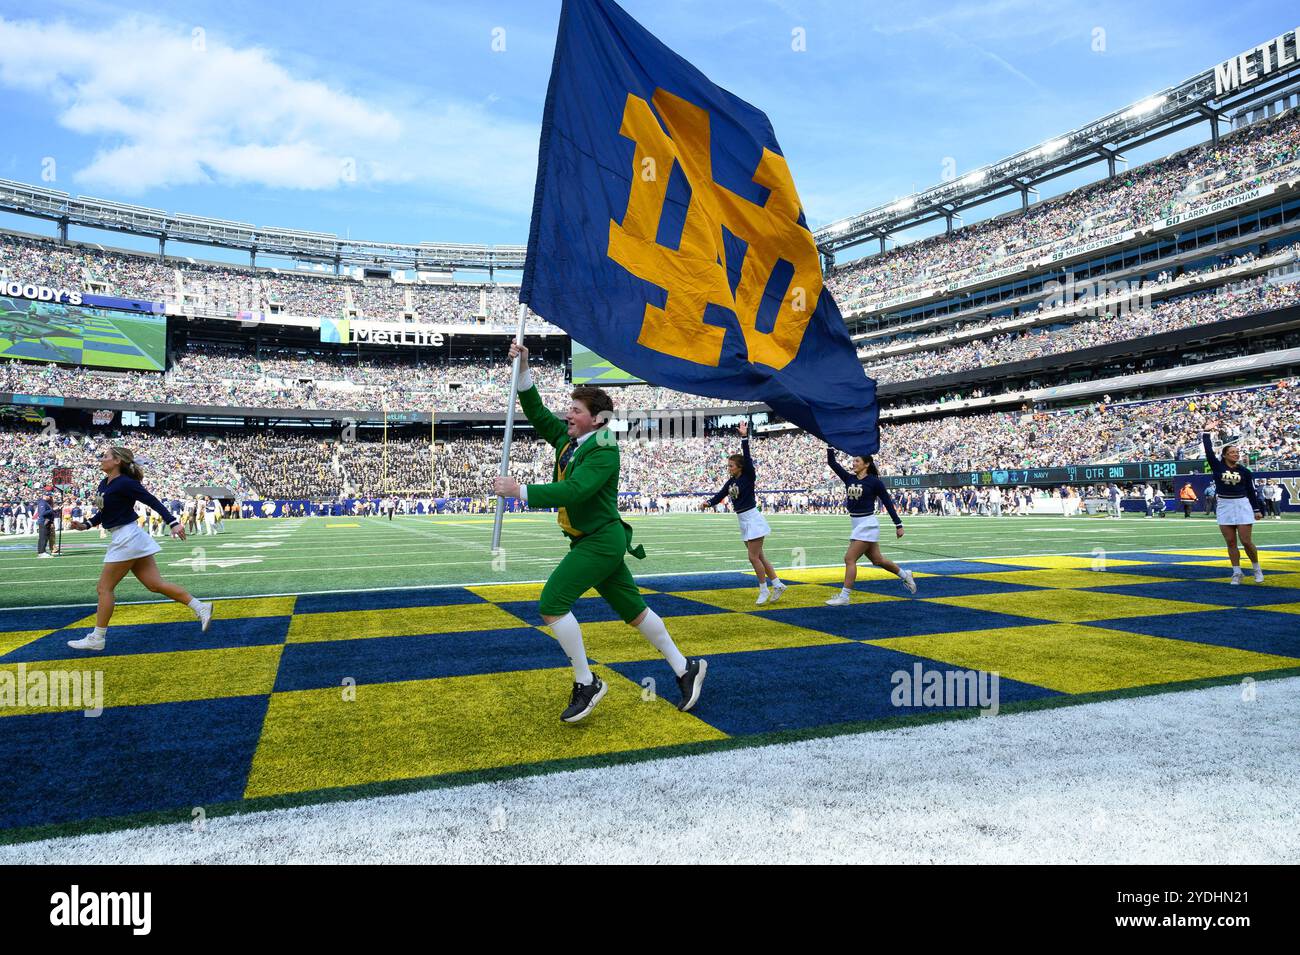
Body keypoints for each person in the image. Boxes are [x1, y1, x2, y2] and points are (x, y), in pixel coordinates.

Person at [492, 342, 705, 723]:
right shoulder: (572, 442)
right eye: (570, 409)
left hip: (600, 540)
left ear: (598, 419)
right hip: (593, 539)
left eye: (576, 410)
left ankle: (586, 682)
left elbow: (577, 491)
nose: (568, 414)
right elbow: (537, 412)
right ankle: (684, 668)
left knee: (552, 603)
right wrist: (523, 367)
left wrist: (519, 491)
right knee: (634, 611)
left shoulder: (605, 448)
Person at [66, 446, 213, 651]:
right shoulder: (103, 483)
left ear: (117, 461)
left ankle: (97, 637)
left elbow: (152, 501)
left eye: (105, 456)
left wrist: (173, 522)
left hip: (126, 537)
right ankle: (201, 606)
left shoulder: (126, 483)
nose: (101, 459)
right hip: (127, 536)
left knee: (104, 588)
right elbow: (104, 512)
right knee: (155, 584)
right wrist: (86, 525)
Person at [701, 421, 785, 605]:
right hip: (743, 519)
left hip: (753, 518)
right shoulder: (731, 482)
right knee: (760, 556)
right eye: (728, 466)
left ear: (740, 467)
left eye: (731, 466)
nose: (729, 468)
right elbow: (721, 494)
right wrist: (708, 503)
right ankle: (777, 584)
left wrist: (744, 437)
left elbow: (748, 458)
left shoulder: (748, 477)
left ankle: (763, 589)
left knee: (753, 557)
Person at [824, 447, 914, 605]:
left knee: (849, 558)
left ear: (866, 464)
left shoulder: (874, 482)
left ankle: (844, 597)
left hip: (867, 523)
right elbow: (832, 462)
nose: (853, 463)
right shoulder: (849, 478)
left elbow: (887, 502)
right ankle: (905, 575)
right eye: (853, 461)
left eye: (857, 461)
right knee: (878, 560)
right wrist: (829, 445)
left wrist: (898, 524)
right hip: (856, 523)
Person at [1202, 428, 1265, 584]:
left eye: (1237, 452)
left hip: (1241, 503)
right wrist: (1206, 434)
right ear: (1224, 455)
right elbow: (1209, 451)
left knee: (1246, 541)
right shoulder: (1218, 467)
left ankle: (1256, 568)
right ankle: (1236, 572)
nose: (1236, 454)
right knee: (1230, 542)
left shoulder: (1244, 471)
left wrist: (1256, 509)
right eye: (1232, 452)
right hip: (1224, 504)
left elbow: (1251, 491)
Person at [35, 493, 57, 558]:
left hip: (46, 522)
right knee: (43, 537)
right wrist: (52, 510)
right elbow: (42, 513)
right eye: (49, 496)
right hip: (43, 522)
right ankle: (42, 552)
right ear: (45, 496)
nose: (50, 497)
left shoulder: (45, 502)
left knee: (45, 537)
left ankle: (41, 551)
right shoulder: (42, 503)